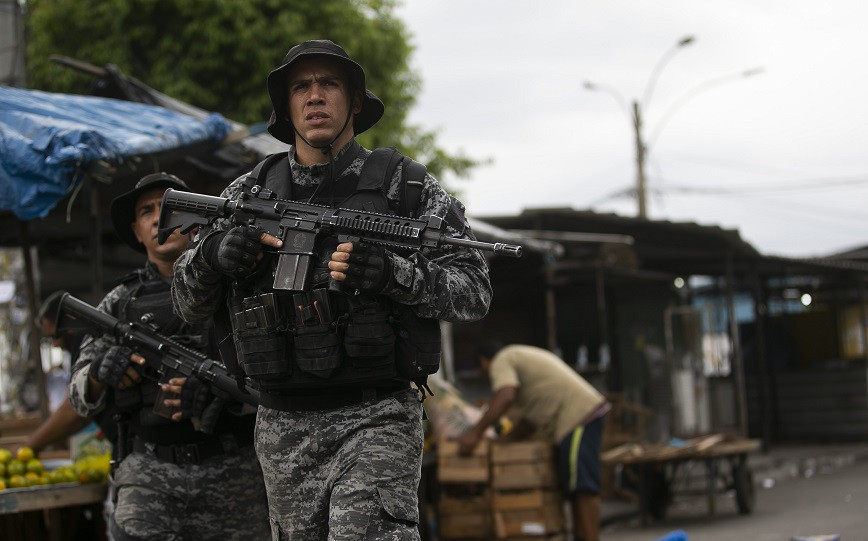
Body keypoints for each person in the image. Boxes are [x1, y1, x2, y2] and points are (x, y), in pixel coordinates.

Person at [171, 39, 492, 539]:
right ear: (287, 105)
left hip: (375, 416)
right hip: (281, 427)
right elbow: (188, 304)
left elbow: (473, 289)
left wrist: (392, 274)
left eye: (329, 84)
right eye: (301, 86)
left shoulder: (404, 188)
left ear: (355, 101)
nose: (315, 97)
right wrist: (213, 258)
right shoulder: (245, 194)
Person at [67, 172, 270, 541]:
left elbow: (275, 382)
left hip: (234, 471)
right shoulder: (118, 303)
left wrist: (224, 394)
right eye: (147, 210)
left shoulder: (237, 284)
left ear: (193, 217)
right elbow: (79, 397)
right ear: (137, 229)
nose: (158, 215)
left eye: (169, 205)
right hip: (148, 472)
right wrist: (100, 371)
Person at [457, 342, 610, 541]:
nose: (483, 374)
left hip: (578, 418)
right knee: (575, 487)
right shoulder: (519, 363)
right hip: (580, 417)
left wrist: (475, 433)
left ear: (485, 361)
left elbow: (505, 396)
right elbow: (530, 422)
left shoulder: (502, 360)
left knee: (583, 487)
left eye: (480, 369)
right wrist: (505, 441)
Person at [20, 291, 92, 455]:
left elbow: (76, 411)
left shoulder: (94, 345)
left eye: (56, 335)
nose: (56, 344)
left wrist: (27, 448)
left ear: (72, 324)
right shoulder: (82, 350)